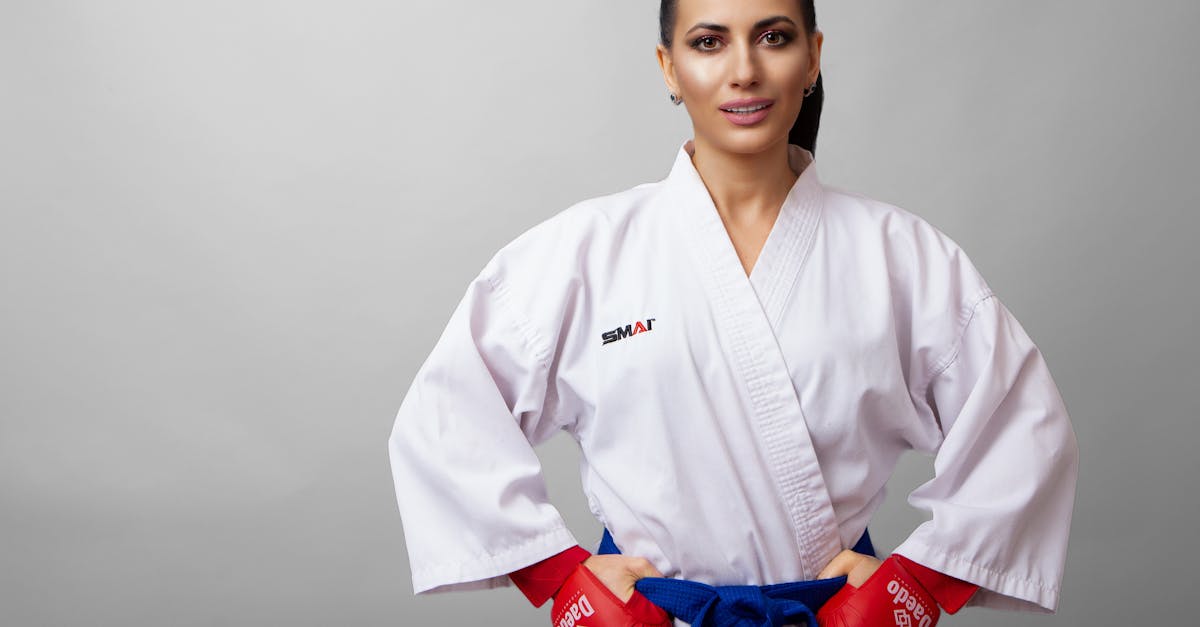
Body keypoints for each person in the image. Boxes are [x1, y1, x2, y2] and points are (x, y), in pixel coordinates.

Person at [388, 0, 1079, 625]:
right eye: (710, 41)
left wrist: (915, 585)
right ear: (669, 66)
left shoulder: (900, 256)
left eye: (773, 37)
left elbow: (1023, 427)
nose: (744, 70)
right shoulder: (586, 250)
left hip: (831, 616)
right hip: (645, 616)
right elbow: (448, 415)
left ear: (812, 56)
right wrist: (560, 576)